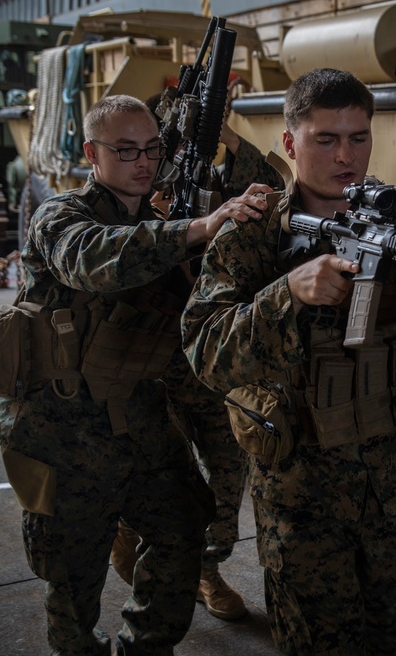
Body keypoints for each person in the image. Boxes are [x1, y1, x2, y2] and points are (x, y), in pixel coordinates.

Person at [180, 68, 396, 654]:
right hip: (301, 492)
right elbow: (205, 352)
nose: (346, 156)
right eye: (326, 139)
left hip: (393, 486)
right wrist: (285, 294)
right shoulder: (252, 232)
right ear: (290, 143)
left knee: (385, 638)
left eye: (359, 137)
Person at [0, 94, 268, 654]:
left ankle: (146, 643)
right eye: (126, 149)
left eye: (153, 149)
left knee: (185, 526)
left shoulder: (163, 219)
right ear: (92, 152)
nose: (142, 162)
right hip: (61, 428)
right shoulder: (61, 216)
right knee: (71, 574)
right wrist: (196, 227)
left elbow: (248, 207)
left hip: (139, 420)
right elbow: (92, 259)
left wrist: (224, 165)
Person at [110, 95, 286, 622]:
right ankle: (139, 544)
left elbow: (270, 188)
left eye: (162, 146)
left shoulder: (206, 190)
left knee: (228, 488)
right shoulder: (127, 201)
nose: (148, 159)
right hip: (151, 378)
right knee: (167, 495)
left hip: (210, 375)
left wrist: (225, 137)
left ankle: (207, 568)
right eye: (139, 149)